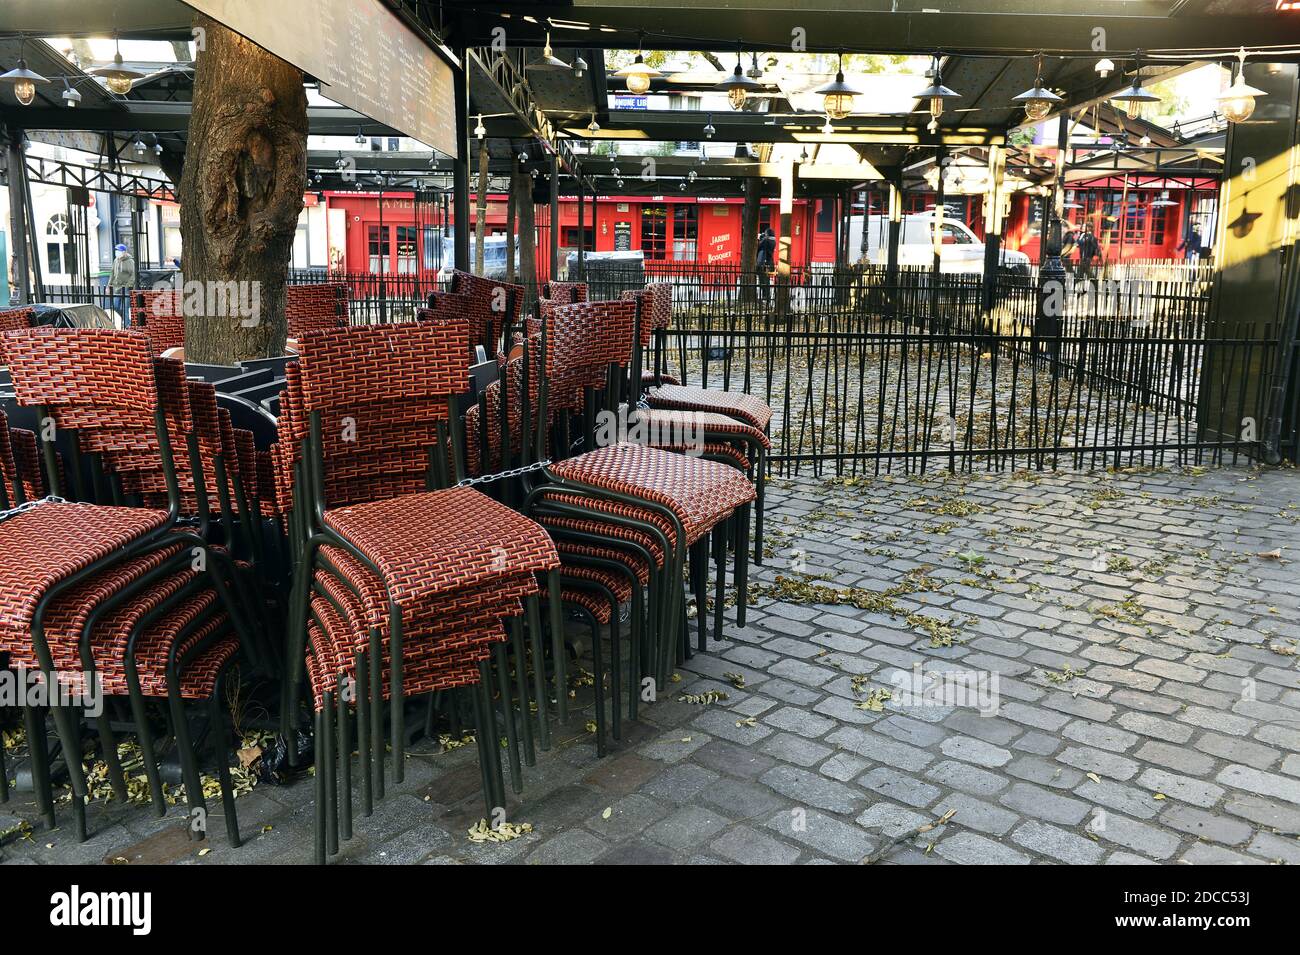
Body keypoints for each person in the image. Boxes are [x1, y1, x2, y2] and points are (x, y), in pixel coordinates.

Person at [109, 243, 136, 327]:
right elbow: (112, 273)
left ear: (124, 252)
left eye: (119, 251)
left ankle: (127, 325)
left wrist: (128, 285)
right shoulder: (116, 260)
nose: (117, 252)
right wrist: (109, 285)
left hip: (126, 289)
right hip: (117, 288)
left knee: (124, 308)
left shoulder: (130, 261)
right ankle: (126, 320)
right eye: (116, 251)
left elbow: (133, 274)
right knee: (116, 307)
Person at [755, 227, 776, 306]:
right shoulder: (773, 241)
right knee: (766, 281)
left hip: (763, 263)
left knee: (763, 281)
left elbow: (759, 247)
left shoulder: (766, 240)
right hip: (769, 262)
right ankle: (767, 298)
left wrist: (760, 238)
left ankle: (766, 298)